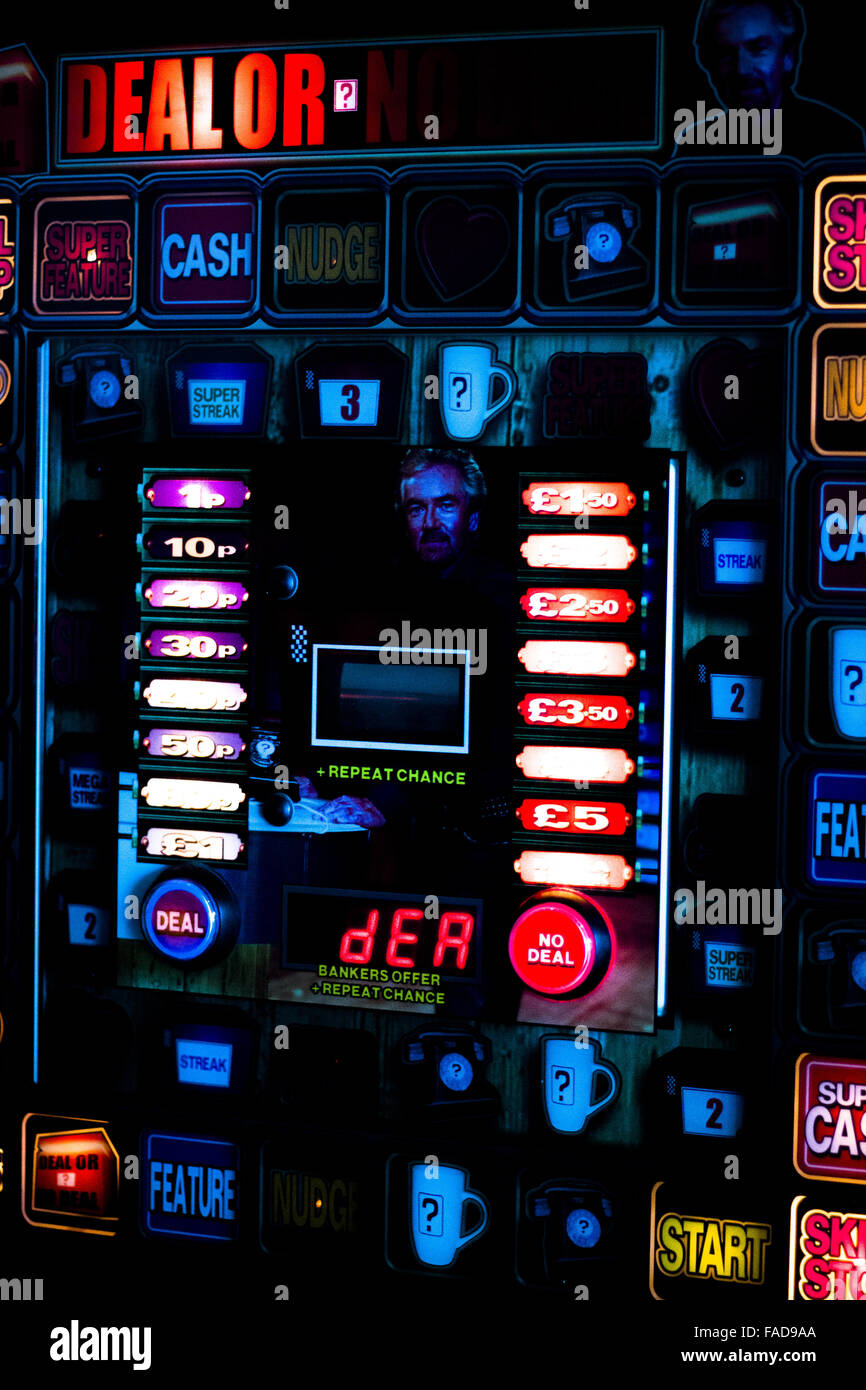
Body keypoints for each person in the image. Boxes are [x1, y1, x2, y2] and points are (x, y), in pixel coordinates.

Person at [674, 0, 865, 159]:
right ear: (709, 64)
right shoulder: (696, 147)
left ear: (788, 56)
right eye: (725, 54)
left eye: (758, 49)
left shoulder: (836, 138)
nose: (742, 69)